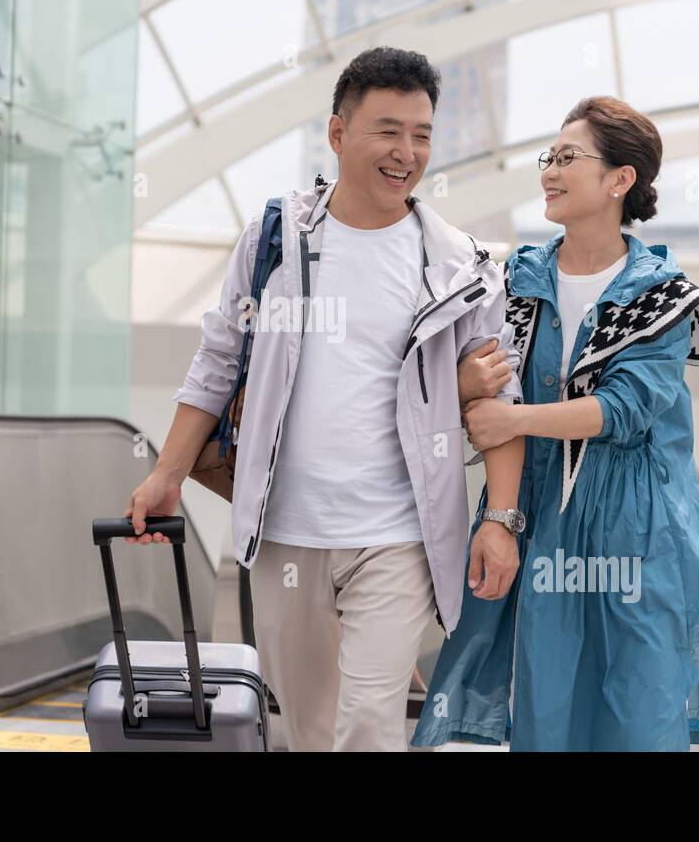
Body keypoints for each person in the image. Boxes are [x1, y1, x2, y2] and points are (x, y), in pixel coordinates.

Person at [124, 46, 525, 751]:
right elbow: (218, 360)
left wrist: (500, 518)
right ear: (338, 134)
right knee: (307, 728)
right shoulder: (277, 239)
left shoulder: (459, 264)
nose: (407, 152)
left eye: (423, 134)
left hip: (399, 533)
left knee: (369, 721)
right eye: (389, 130)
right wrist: (166, 474)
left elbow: (500, 408)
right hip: (286, 530)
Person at [412, 96, 699, 752]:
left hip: (637, 526)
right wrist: (500, 520)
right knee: (545, 713)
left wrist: (513, 414)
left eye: (568, 157)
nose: (550, 171)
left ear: (620, 179)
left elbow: (624, 409)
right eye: (549, 157)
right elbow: (488, 389)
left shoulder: (662, 295)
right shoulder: (515, 280)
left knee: (641, 712)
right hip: (537, 514)